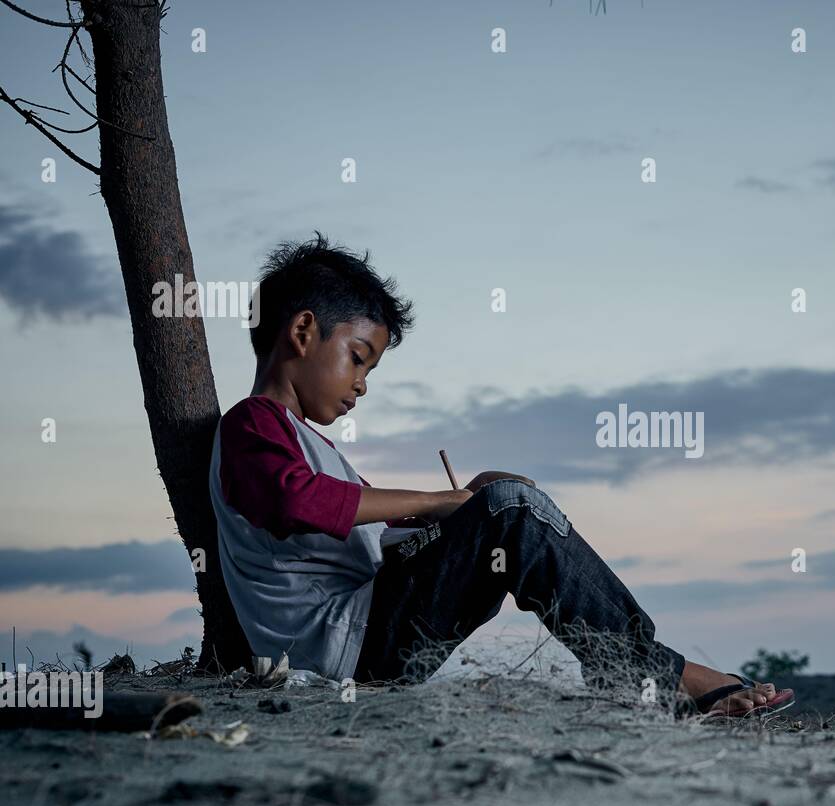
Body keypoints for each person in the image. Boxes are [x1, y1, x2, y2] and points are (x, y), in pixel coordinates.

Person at [208, 233, 794, 718]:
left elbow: (364, 532)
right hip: (342, 647)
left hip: (362, 633)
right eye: (359, 358)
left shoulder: (307, 443)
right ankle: (665, 677)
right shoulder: (251, 425)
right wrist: (452, 505)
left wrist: (468, 504)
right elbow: (294, 503)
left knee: (502, 504)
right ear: (303, 332)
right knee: (510, 508)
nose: (362, 383)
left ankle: (642, 672)